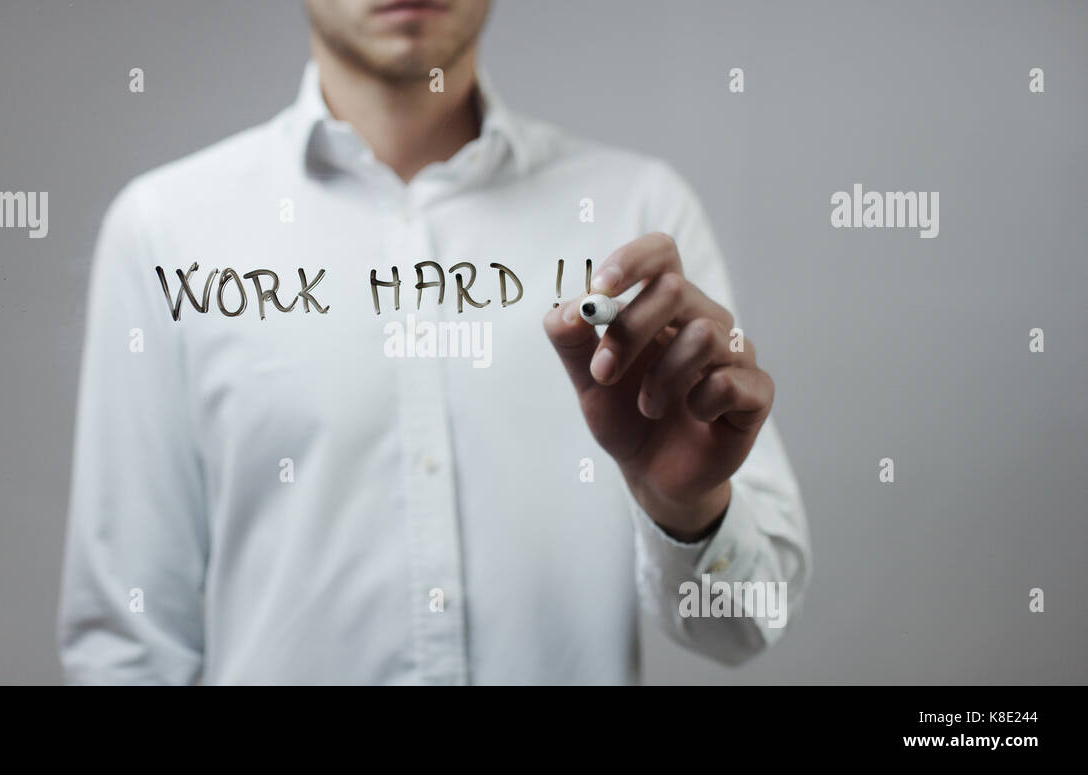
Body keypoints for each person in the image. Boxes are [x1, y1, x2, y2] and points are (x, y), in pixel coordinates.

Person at [58, 0, 811, 684]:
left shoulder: (637, 217)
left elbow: (749, 621)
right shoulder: (166, 231)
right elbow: (127, 649)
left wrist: (688, 506)